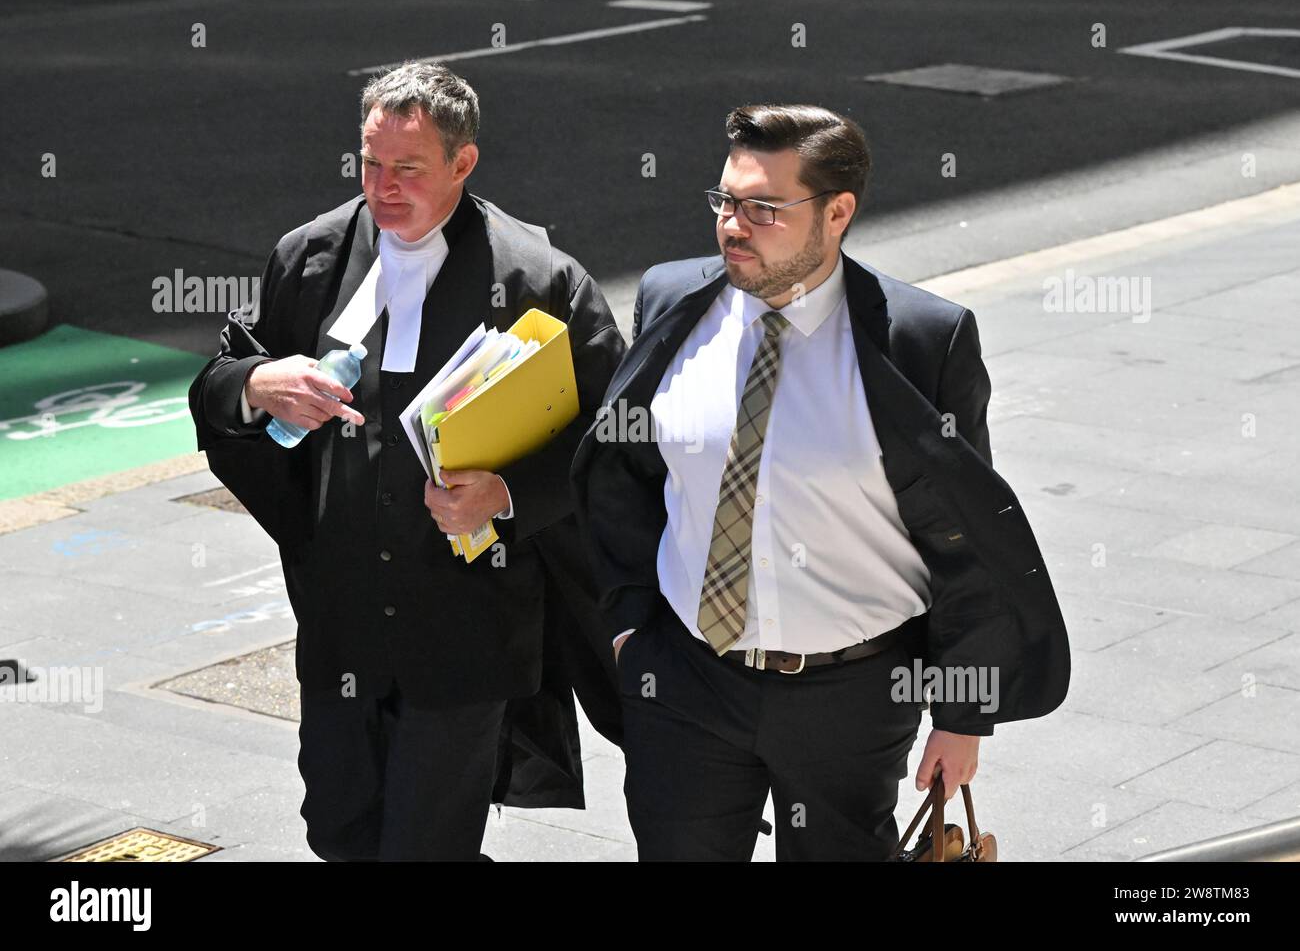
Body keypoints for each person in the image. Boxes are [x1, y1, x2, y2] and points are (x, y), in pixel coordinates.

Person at [571, 103, 1070, 861]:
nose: (733, 226)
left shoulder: (922, 340)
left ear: (837, 213)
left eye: (764, 208)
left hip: (854, 697)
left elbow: (966, 538)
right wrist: (631, 628)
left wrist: (964, 714)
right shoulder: (673, 299)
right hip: (686, 685)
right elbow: (627, 476)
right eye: (725, 202)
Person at [188, 61, 625, 860]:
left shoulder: (537, 279)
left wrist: (507, 493)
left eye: (408, 169)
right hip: (341, 620)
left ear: (463, 164)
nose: (383, 188)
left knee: (424, 845)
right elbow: (219, 384)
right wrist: (257, 383)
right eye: (370, 164)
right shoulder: (310, 256)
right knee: (340, 832)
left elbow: (618, 438)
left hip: (468, 630)